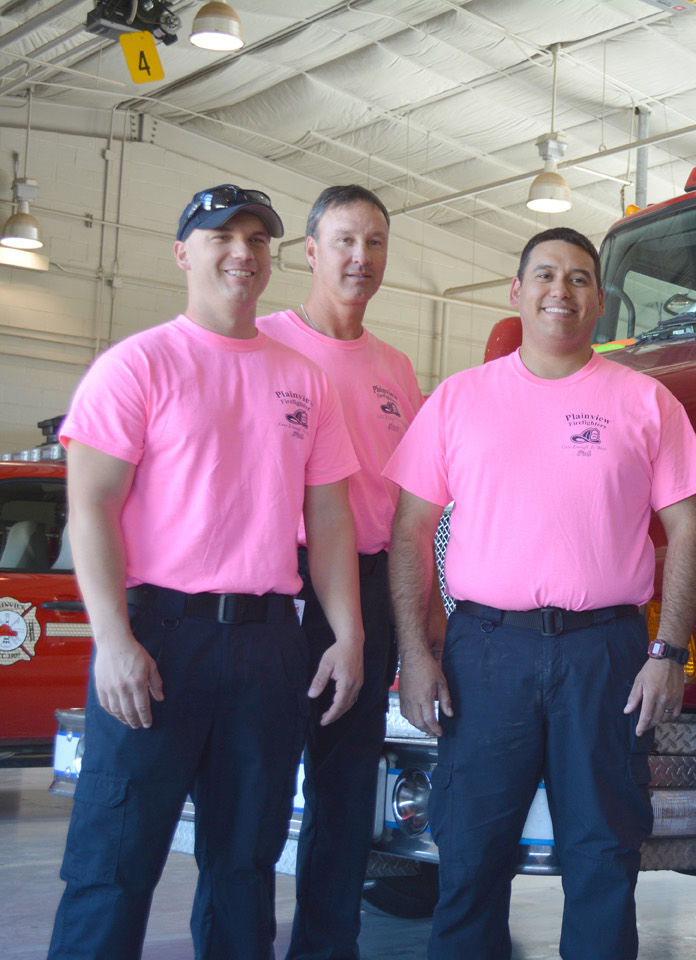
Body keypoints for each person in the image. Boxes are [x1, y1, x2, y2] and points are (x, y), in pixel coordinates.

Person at [48, 185, 364, 960]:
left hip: (265, 649)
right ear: (184, 251)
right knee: (114, 861)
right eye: (223, 235)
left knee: (245, 865)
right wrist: (114, 640)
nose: (243, 253)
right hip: (158, 640)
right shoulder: (136, 366)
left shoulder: (305, 380)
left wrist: (348, 634)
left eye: (258, 239)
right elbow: (88, 512)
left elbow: (328, 520)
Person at [384, 227, 696, 960]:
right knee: (470, 854)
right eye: (544, 276)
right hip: (486, 653)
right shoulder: (458, 400)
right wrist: (415, 652)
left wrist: (668, 653)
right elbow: (410, 532)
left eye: (578, 279)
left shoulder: (644, 401)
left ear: (600, 300)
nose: (560, 291)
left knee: (603, 858)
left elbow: (689, 532)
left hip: (607, 655)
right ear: (516, 292)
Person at [255, 184, 425, 960]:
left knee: (348, 785)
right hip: (277, 588)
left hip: (366, 587)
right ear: (311, 251)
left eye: (376, 243)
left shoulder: (395, 368)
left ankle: (328, 948)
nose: (361, 259)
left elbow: (410, 507)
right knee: (255, 787)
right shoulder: (261, 343)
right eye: (346, 241)